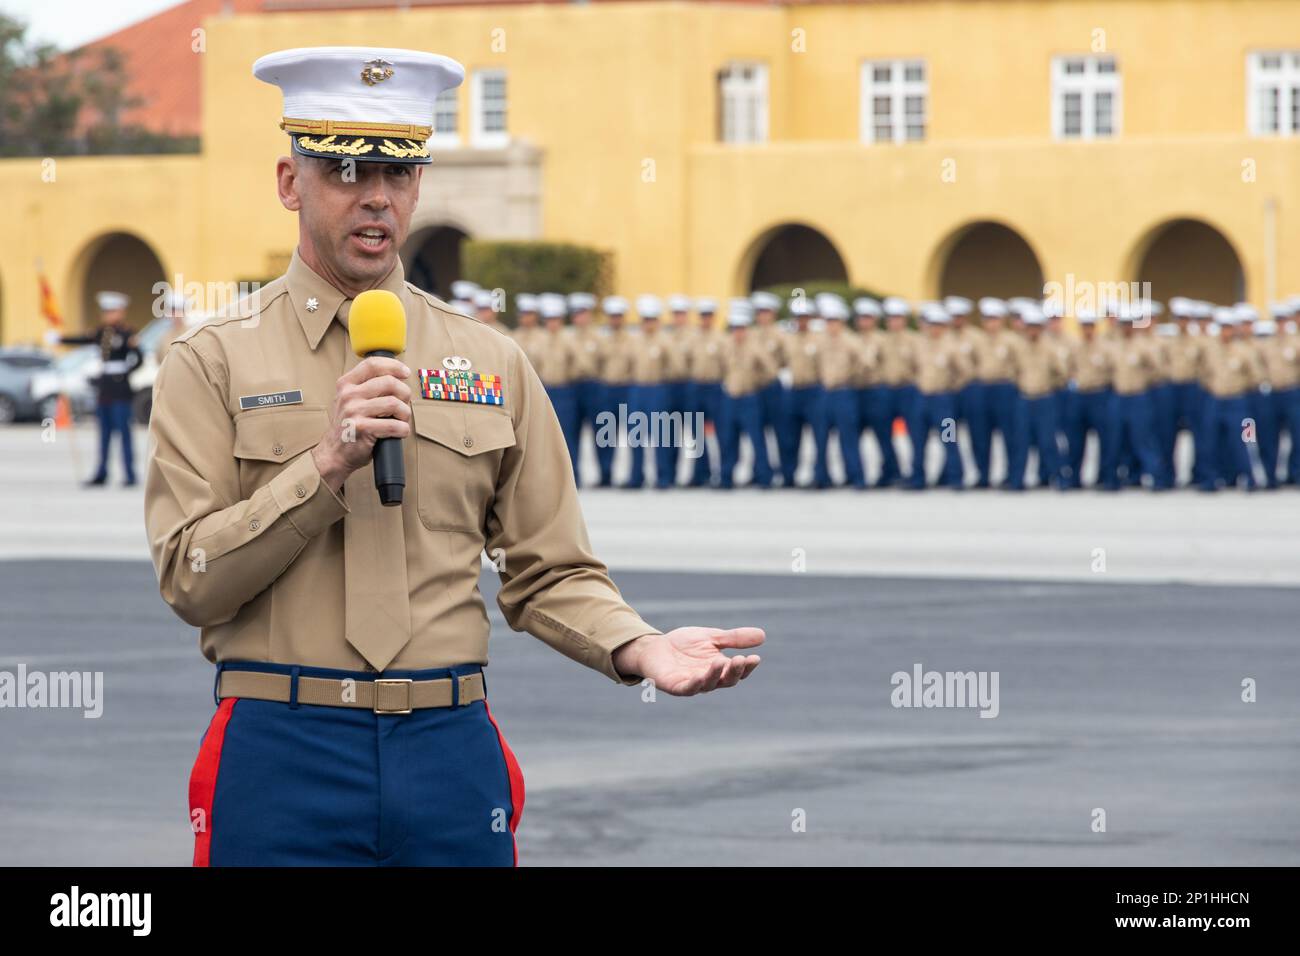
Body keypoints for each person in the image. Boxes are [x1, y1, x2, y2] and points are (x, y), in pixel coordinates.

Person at [144, 46, 762, 868]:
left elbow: (550, 571)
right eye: (345, 169)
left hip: (446, 748)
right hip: (282, 747)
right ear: (291, 183)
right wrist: (324, 465)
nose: (375, 196)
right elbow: (190, 576)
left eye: (398, 173)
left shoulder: (492, 360)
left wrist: (636, 646)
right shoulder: (212, 359)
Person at [47, 290, 143, 487]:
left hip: (120, 390)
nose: (108, 315)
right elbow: (82, 340)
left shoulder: (128, 333)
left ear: (121, 312)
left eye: (112, 311)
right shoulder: (101, 332)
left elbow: (139, 358)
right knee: (104, 434)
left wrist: (125, 372)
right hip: (105, 390)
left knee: (124, 433)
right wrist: (59, 339)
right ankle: (101, 473)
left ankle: (130, 474)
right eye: (106, 312)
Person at [717, 298, 776, 489]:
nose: (738, 332)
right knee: (728, 440)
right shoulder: (726, 345)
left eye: (741, 327)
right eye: (734, 327)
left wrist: (757, 382)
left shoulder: (755, 345)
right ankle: (726, 477)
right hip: (731, 397)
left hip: (750, 398)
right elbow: (720, 367)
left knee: (757, 439)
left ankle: (764, 477)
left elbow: (770, 370)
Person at [906, 303, 964, 489]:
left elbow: (964, 371)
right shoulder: (919, 345)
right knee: (918, 440)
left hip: (942, 399)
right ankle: (918, 478)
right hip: (921, 398)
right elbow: (912, 367)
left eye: (938, 324)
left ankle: (955, 478)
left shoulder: (951, 346)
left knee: (949, 439)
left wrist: (950, 388)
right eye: (931, 324)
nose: (934, 328)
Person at [814, 293, 864, 489]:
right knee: (821, 437)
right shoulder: (821, 341)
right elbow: (814, 364)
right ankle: (821, 476)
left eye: (834, 320)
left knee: (848, 438)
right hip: (825, 392)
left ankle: (856, 476)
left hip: (844, 392)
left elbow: (862, 365)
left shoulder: (851, 341)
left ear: (842, 321)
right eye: (828, 320)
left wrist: (851, 379)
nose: (831, 324)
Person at [779, 297, 829, 488]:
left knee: (819, 437)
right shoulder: (787, 339)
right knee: (790, 438)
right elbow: (780, 361)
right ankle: (788, 475)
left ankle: (820, 476)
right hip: (794, 390)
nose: (801, 321)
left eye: (804, 317)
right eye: (798, 317)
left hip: (814, 390)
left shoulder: (819, 339)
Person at [534, 292, 580, 479]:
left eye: (555, 319)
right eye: (549, 319)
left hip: (564, 390)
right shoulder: (540, 340)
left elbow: (579, 365)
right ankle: (547, 476)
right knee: (542, 437)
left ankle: (571, 475)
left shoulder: (569, 340)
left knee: (567, 435)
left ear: (561, 320)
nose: (552, 323)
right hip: (545, 390)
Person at [689, 298, 726, 487]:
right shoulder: (693, 339)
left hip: (714, 387)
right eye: (703, 316)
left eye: (709, 315)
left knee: (720, 432)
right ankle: (700, 473)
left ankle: (722, 473)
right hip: (696, 387)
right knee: (697, 435)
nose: (706, 319)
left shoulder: (721, 339)